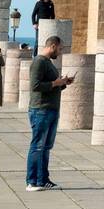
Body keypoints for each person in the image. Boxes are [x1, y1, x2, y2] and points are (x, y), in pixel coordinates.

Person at [26, 35, 73, 192]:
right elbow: (35, 85)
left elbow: (52, 86)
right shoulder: (39, 62)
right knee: (38, 146)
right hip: (41, 110)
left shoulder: (48, 63)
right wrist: (56, 82)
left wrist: (63, 83)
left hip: (51, 109)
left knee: (46, 147)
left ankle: (43, 179)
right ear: (52, 46)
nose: (59, 53)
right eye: (59, 49)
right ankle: (32, 181)